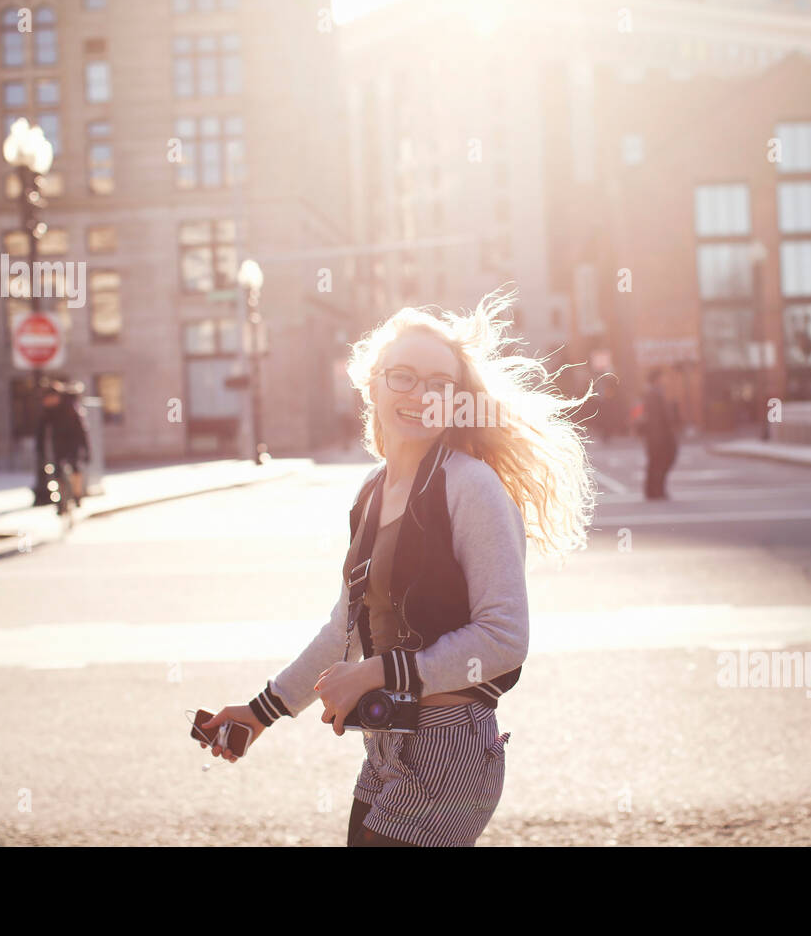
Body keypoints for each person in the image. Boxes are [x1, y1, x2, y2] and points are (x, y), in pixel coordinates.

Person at [203, 290, 597, 847]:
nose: (420, 395)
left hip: (450, 751)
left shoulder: (472, 487)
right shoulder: (370, 491)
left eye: (440, 384)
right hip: (386, 742)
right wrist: (260, 712)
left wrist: (376, 672)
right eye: (403, 376)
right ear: (371, 384)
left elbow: (504, 638)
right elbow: (343, 630)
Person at [35, 382, 90, 507]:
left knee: (75, 466)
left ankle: (77, 495)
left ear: (56, 397)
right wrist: (40, 450)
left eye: (48, 399)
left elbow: (82, 429)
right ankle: (60, 502)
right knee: (57, 471)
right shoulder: (48, 411)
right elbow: (41, 431)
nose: (46, 402)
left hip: (74, 441)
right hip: (58, 442)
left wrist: (86, 449)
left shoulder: (70, 406)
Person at [639, 367, 679, 500]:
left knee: (657, 463)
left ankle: (654, 490)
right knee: (660, 462)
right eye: (663, 377)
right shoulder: (653, 394)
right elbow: (656, 419)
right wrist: (659, 438)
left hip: (658, 436)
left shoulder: (656, 393)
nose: (665, 380)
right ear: (657, 379)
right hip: (659, 436)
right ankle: (655, 491)